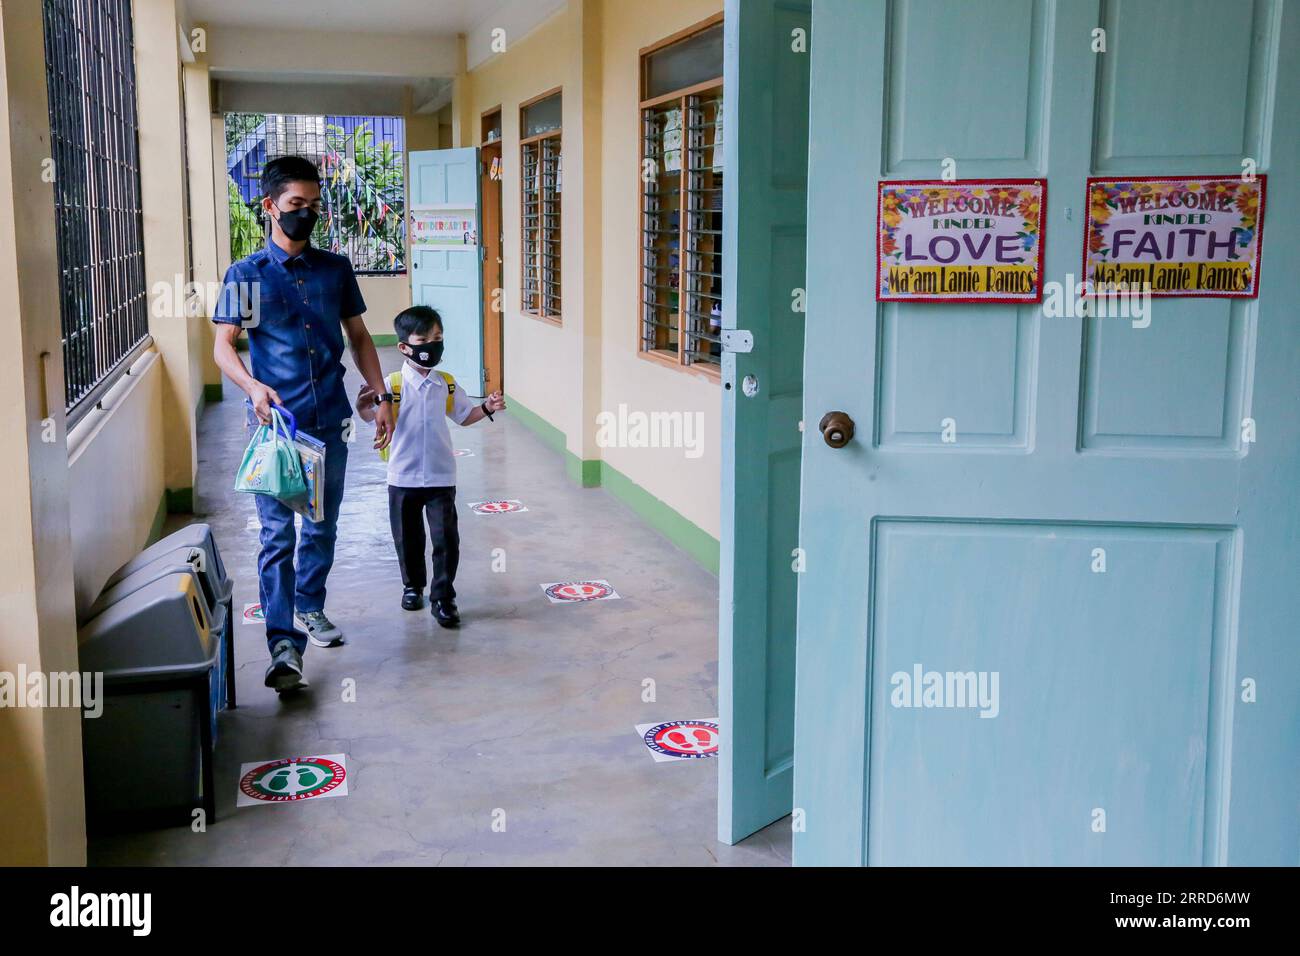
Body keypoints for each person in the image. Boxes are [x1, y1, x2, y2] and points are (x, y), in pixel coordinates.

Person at [212, 155, 395, 693]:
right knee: (275, 534)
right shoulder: (247, 275)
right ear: (269, 207)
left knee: (321, 524)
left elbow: (359, 337)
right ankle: (282, 643)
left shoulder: (335, 269)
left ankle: (310, 606)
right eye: (296, 206)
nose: (307, 215)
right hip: (275, 427)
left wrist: (379, 393)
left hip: (331, 420)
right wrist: (251, 387)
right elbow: (224, 346)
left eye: (314, 206)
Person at [357, 306, 506, 628]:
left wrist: (487, 407)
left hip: (440, 476)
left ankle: (443, 596)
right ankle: (413, 587)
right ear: (404, 347)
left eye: (437, 338)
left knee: (445, 539)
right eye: (423, 339)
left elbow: (465, 416)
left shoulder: (446, 384)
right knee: (408, 538)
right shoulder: (391, 385)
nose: (432, 345)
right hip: (402, 476)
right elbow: (375, 419)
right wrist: (363, 408)